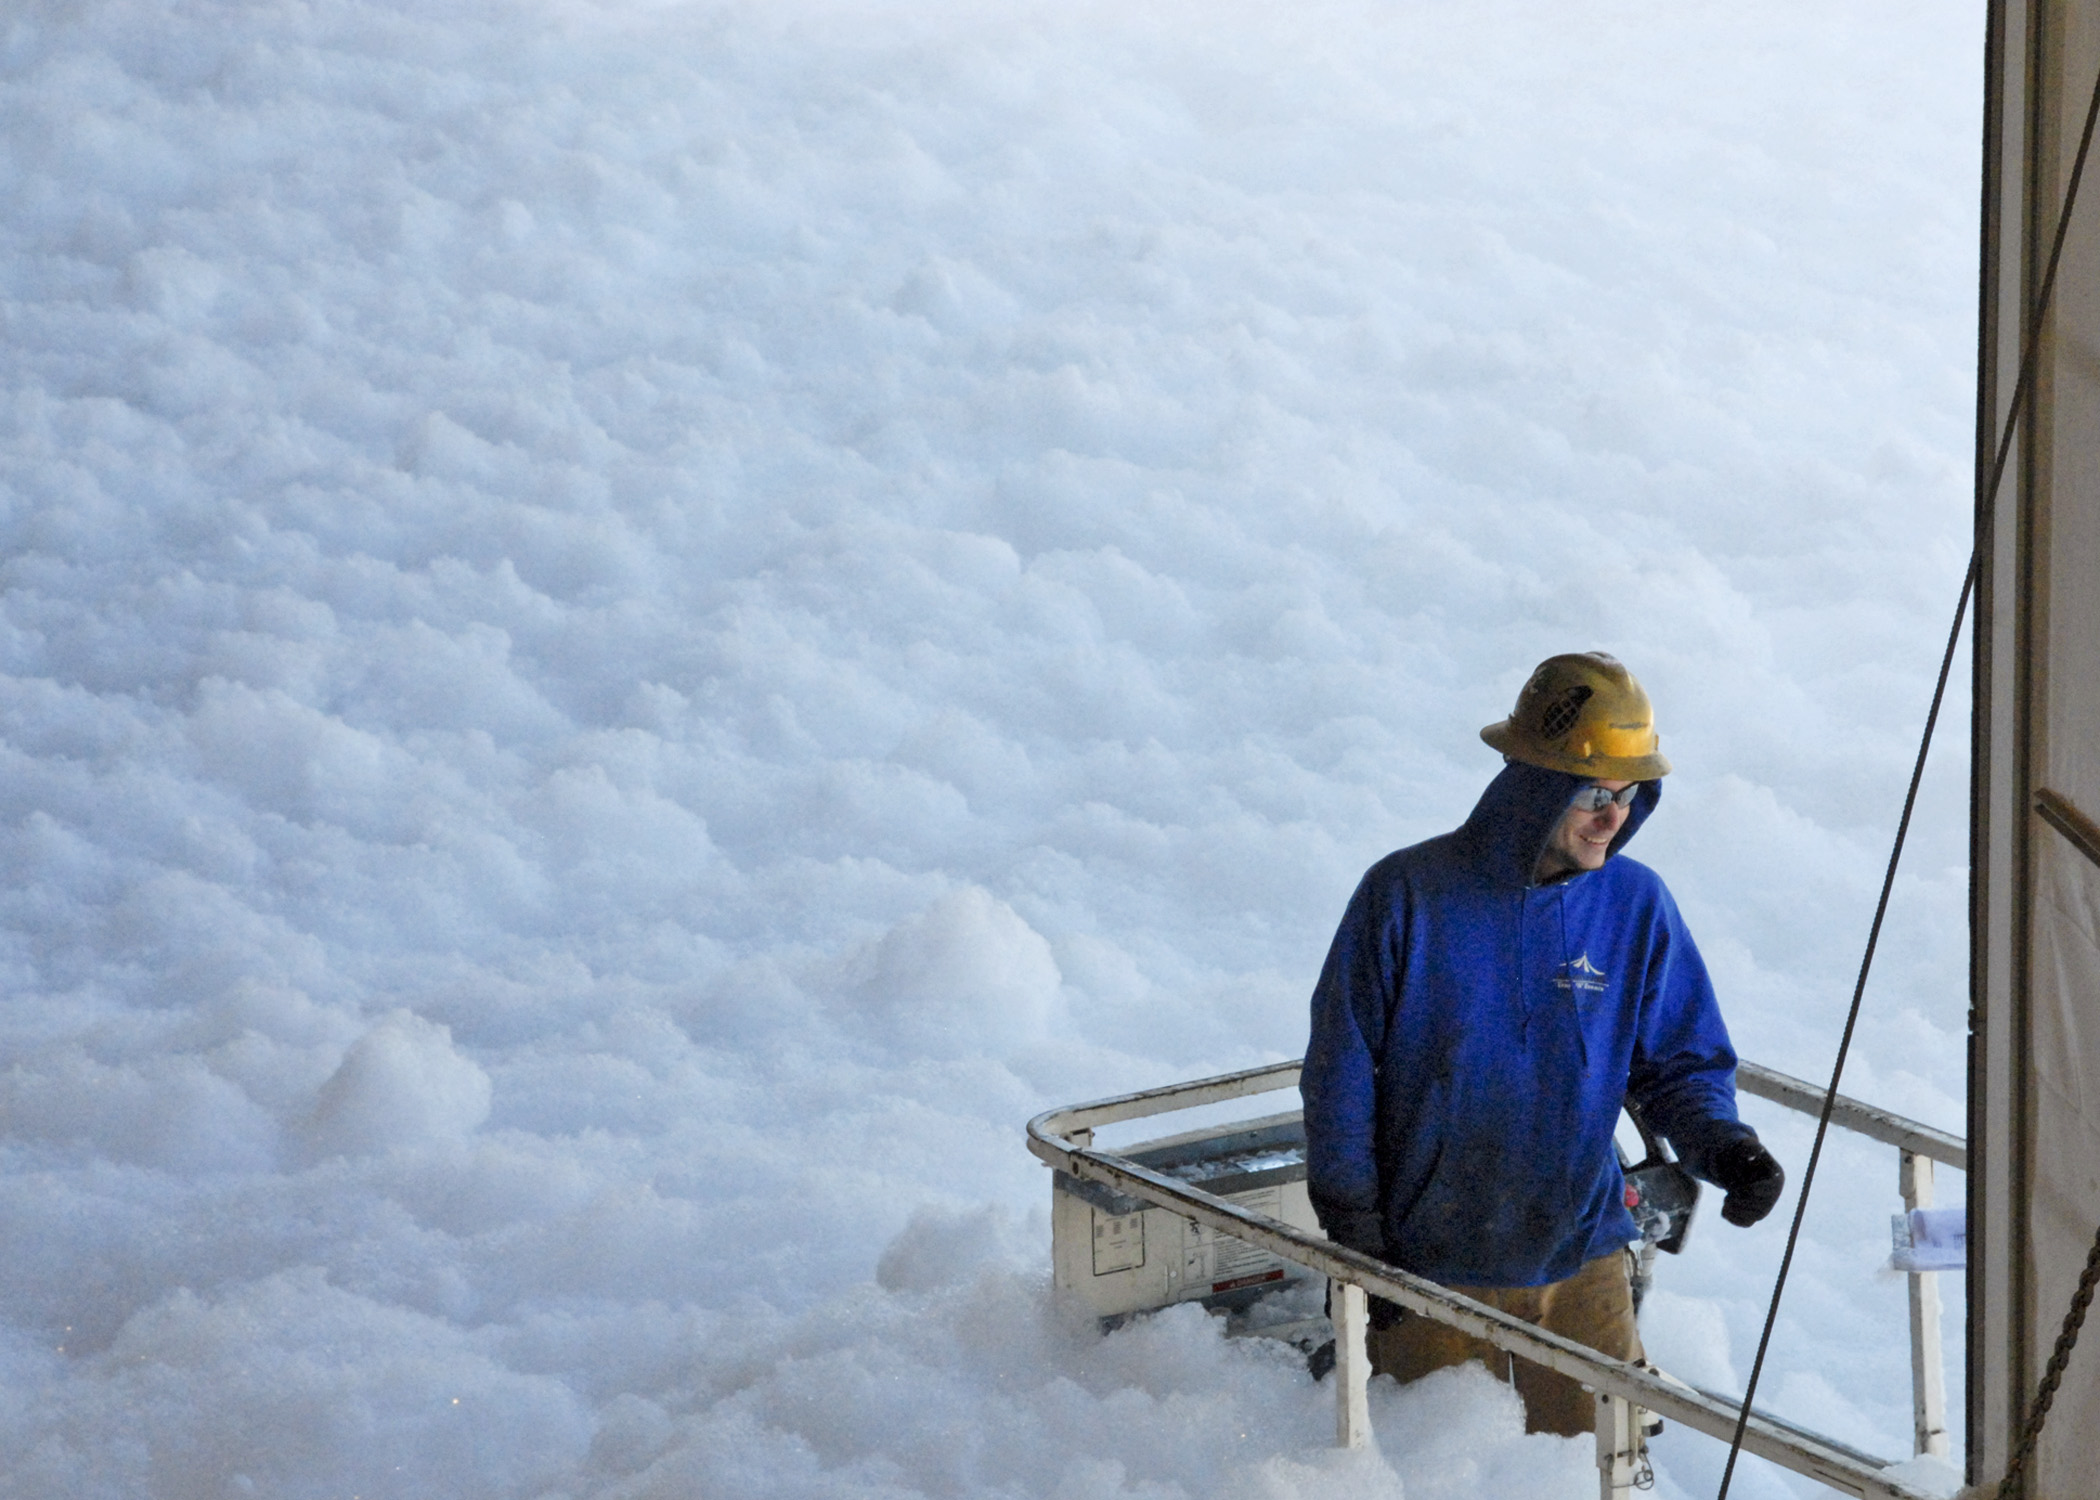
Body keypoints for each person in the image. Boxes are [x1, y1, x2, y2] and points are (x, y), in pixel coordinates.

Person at [1300, 650, 1786, 1436]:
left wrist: (1724, 1146)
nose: (1614, 818)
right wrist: (1357, 1239)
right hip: (1428, 1269)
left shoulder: (1636, 904)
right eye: (1595, 793)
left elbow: (1678, 1063)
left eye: (1633, 796)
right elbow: (1340, 1077)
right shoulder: (1406, 896)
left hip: (1583, 1261)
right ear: (1531, 786)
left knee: (1596, 1473)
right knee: (1439, 1485)